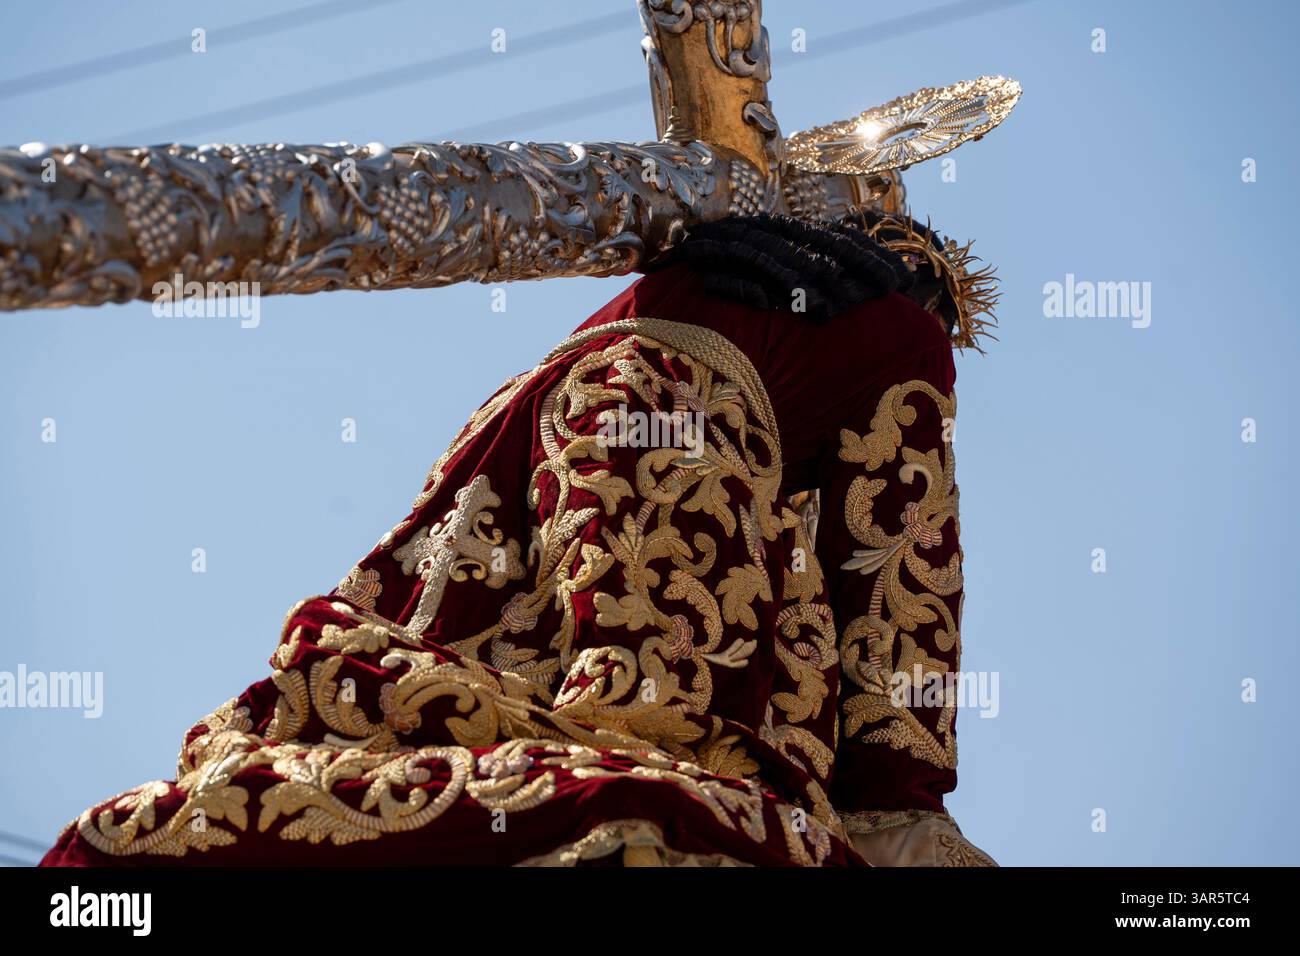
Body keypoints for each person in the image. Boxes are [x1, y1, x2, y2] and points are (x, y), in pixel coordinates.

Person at [42, 212, 997, 867]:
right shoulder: (902, 334)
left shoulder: (682, 286)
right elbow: (901, 558)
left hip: (495, 521)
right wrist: (900, 798)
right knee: (661, 789)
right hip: (670, 510)